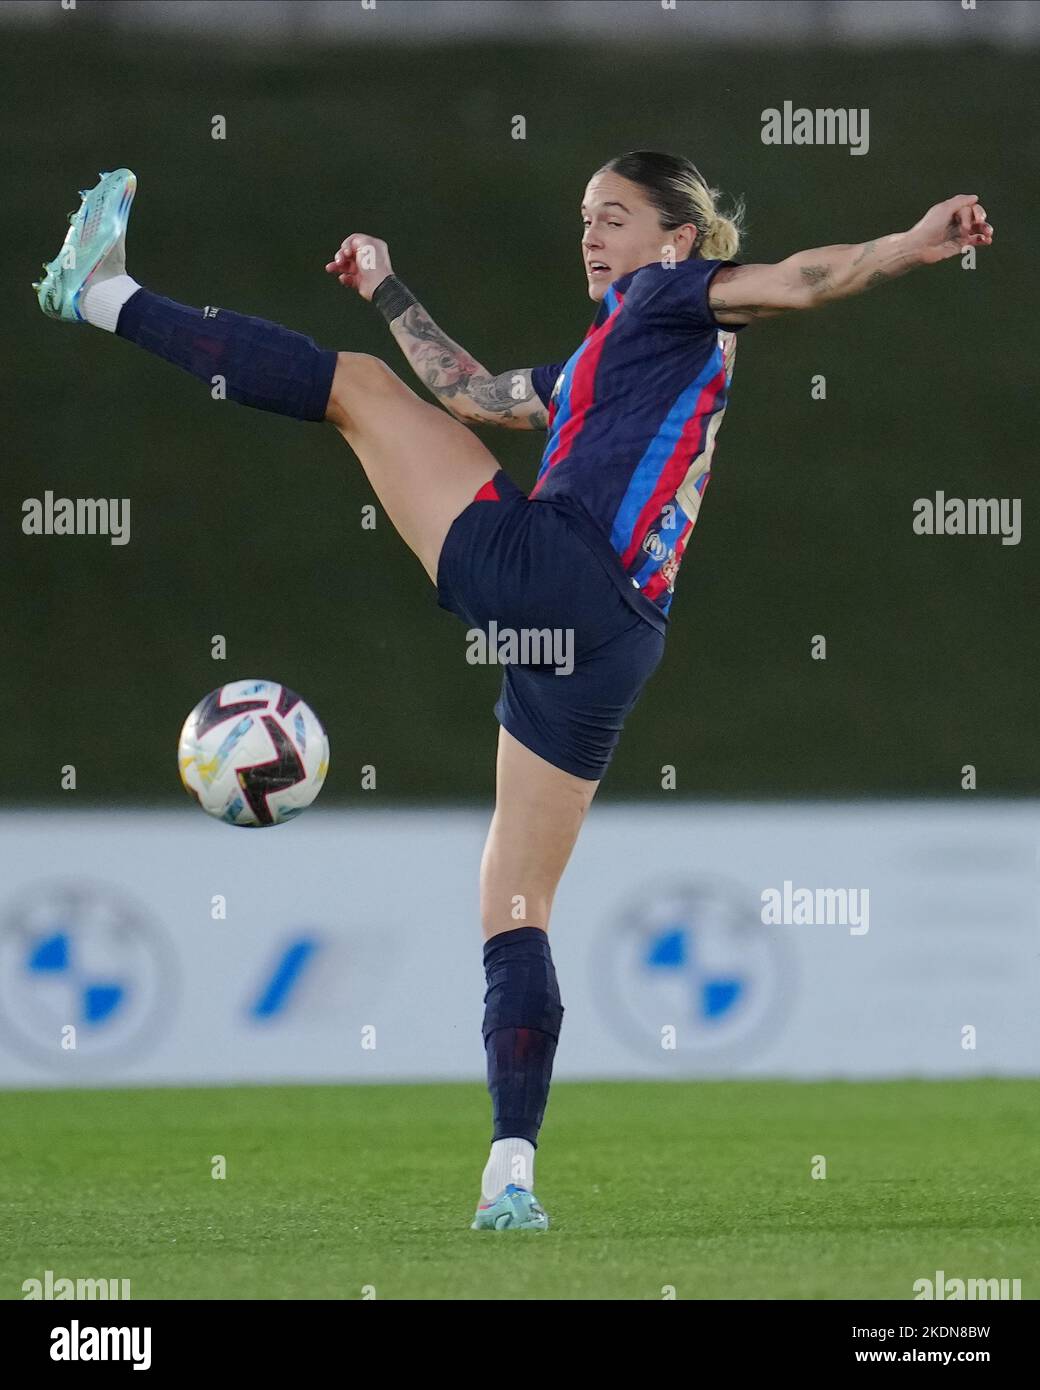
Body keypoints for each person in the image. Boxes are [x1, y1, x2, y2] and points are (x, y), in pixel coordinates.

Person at [34, 152, 993, 1231]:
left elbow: (802, 280)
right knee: (513, 903)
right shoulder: (612, 349)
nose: (592, 235)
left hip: (562, 569)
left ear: (675, 241)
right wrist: (389, 288)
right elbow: (470, 395)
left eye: (616, 218)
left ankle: (102, 293)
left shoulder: (668, 296)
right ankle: (510, 1173)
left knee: (350, 387)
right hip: (614, 638)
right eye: (585, 218)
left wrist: (911, 243)